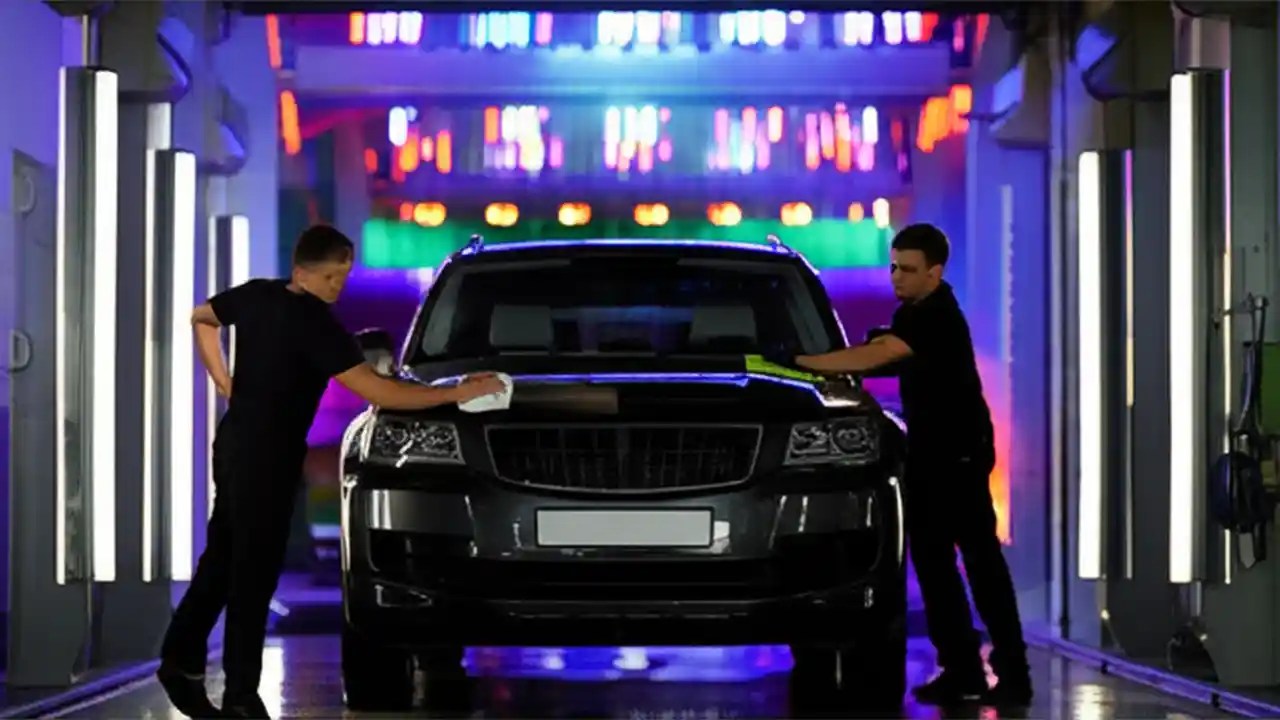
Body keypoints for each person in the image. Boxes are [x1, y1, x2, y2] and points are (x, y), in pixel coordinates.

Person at [156, 225, 505, 719]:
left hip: (234, 445)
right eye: (329, 277)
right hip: (268, 457)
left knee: (224, 558)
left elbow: (202, 317)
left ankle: (180, 661)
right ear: (302, 270)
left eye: (343, 276)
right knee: (253, 573)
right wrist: (458, 392)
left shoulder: (258, 295)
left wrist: (225, 381)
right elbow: (383, 395)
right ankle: (239, 696)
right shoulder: (317, 327)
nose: (336, 287)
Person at [794, 223, 1032, 707]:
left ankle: (1010, 671)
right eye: (893, 266)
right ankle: (964, 669)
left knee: (978, 565)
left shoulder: (935, 316)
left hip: (957, 459)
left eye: (907, 269)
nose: (896, 277)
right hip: (932, 456)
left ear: (935, 272)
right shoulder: (916, 312)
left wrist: (802, 362)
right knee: (936, 565)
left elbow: (880, 355)